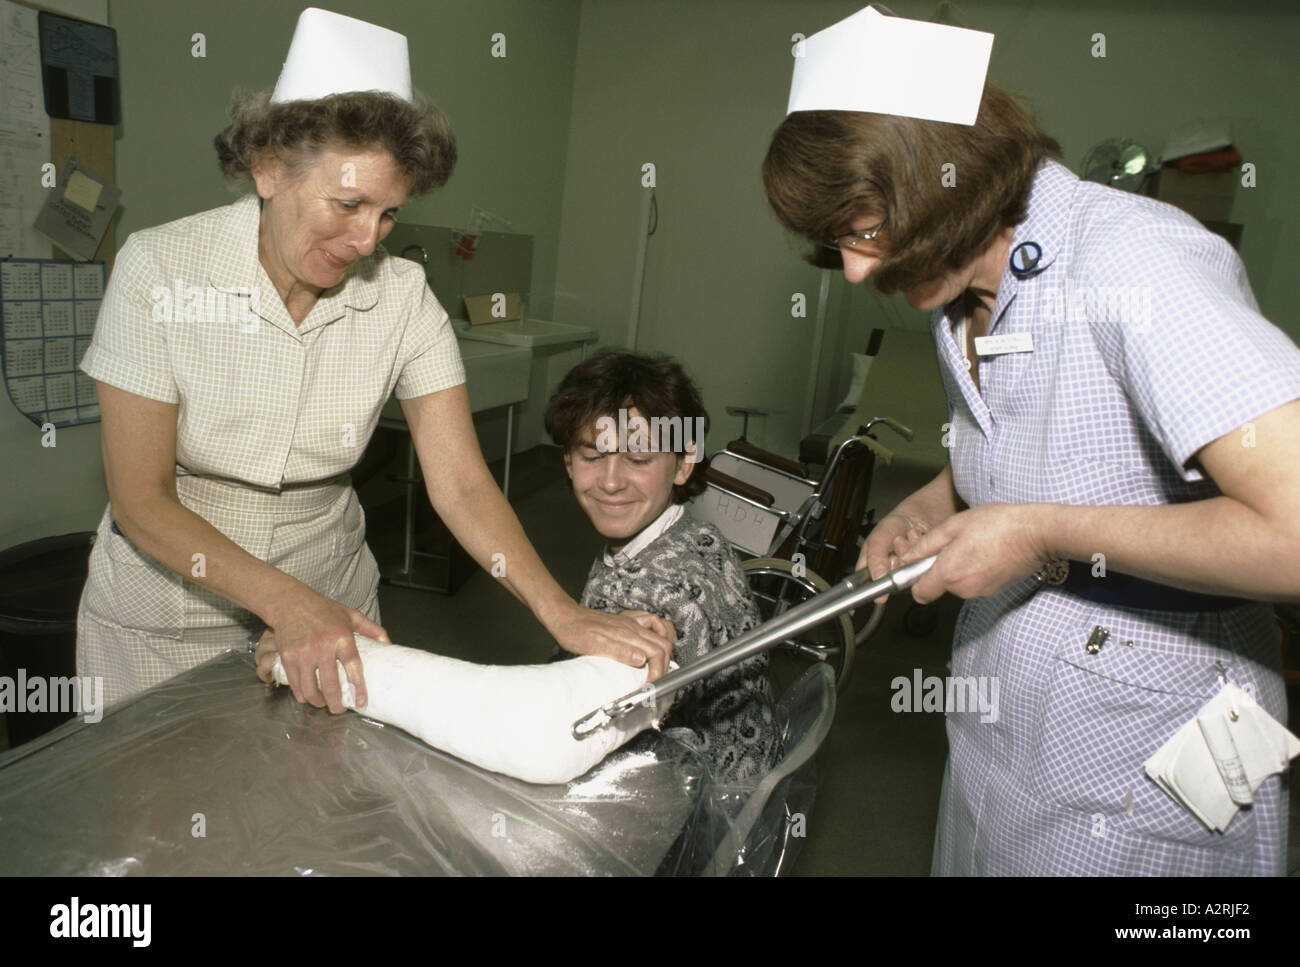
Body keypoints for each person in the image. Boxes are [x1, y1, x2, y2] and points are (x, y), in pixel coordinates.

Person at [762, 6, 1300, 875]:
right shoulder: (961, 291)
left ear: (945, 173)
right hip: (1003, 734)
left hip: (1142, 766)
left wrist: (1040, 532)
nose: (856, 270)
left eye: (863, 226)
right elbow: (1028, 434)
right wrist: (938, 498)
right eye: (840, 243)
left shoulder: (1136, 263)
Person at [76, 9, 673, 713]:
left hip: (330, 609)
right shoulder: (159, 270)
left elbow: (461, 483)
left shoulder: (401, 297)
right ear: (268, 167)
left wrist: (559, 611)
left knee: (311, 813)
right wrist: (286, 604)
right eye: (349, 203)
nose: (367, 239)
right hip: (167, 621)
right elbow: (141, 499)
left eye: (389, 214)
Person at [544, 350, 783, 784]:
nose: (611, 481)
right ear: (568, 461)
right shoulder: (701, 535)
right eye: (593, 456)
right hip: (748, 783)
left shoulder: (640, 595)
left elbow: (565, 729)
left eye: (638, 460)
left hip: (689, 809)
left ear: (683, 462)